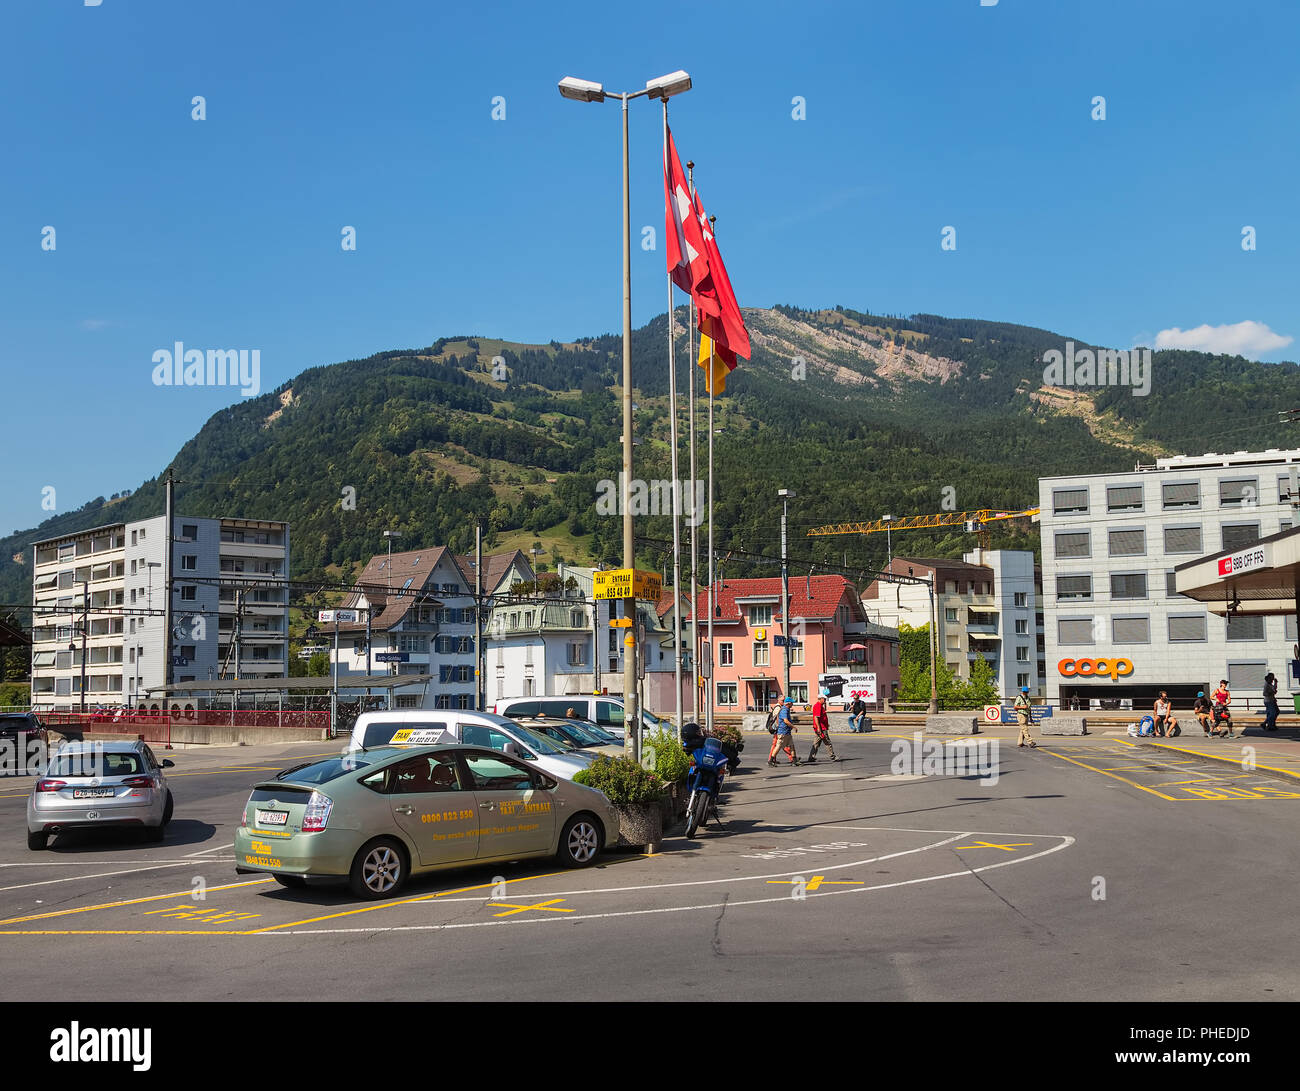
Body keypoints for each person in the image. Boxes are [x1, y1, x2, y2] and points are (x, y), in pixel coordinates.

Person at [806, 689, 838, 763]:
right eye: (824, 699)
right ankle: (832, 756)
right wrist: (819, 729)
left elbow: (821, 717)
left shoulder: (820, 706)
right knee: (827, 742)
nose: (825, 700)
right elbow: (816, 717)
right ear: (820, 699)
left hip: (821, 727)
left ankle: (811, 757)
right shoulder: (818, 706)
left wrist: (826, 724)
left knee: (816, 743)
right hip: (821, 728)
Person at [768, 697, 800, 767]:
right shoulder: (784, 710)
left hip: (787, 732)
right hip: (783, 732)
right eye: (792, 703)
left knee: (791, 746)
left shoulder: (787, 709)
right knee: (778, 746)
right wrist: (793, 727)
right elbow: (785, 721)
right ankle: (771, 760)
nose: (793, 704)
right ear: (788, 703)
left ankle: (794, 761)